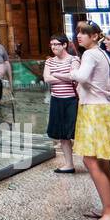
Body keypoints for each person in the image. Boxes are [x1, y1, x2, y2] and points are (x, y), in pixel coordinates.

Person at [72, 22, 110, 220]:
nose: (80, 36)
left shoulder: (89, 55)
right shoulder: (105, 55)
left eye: (85, 33)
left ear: (95, 36)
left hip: (93, 110)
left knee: (91, 160)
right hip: (104, 108)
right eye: (78, 32)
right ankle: (108, 207)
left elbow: (81, 76)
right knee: (103, 160)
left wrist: (73, 68)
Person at [43, 34, 79, 173]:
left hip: (72, 100)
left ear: (64, 45)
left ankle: (90, 162)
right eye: (51, 44)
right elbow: (47, 78)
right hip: (56, 100)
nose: (53, 47)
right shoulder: (49, 61)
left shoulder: (74, 59)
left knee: (77, 133)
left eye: (56, 44)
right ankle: (69, 164)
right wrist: (64, 77)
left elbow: (74, 76)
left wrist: (56, 75)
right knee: (63, 135)